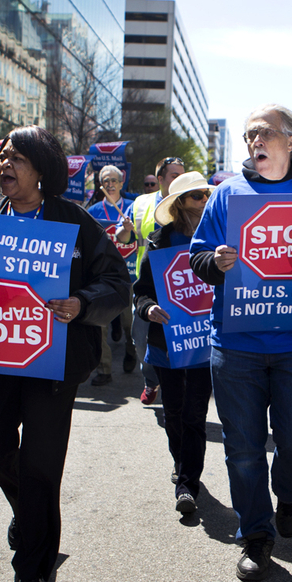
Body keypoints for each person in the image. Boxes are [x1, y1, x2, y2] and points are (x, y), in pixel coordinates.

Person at [0, 127, 130, 582]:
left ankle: (32, 568)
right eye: (2, 157)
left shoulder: (75, 220)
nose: (4, 165)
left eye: (17, 158)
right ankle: (30, 513)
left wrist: (81, 302)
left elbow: (115, 283)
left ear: (41, 169)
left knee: (42, 465)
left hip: (53, 366)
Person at [188, 103, 292, 582]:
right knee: (242, 446)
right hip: (236, 341)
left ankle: (289, 491)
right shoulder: (227, 194)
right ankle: (256, 535)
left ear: (291, 141)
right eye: (249, 134)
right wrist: (215, 262)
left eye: (264, 132)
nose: (254, 141)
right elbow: (197, 257)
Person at [133, 171, 215, 514]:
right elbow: (141, 292)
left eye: (206, 195)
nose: (204, 201)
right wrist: (148, 308)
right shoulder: (159, 242)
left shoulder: (218, 238)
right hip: (167, 342)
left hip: (205, 343)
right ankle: (181, 462)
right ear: (180, 203)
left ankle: (187, 484)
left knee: (195, 414)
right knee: (174, 413)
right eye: (197, 196)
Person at [129, 157, 187, 404]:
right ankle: (151, 380)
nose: (180, 180)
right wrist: (123, 231)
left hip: (182, 287)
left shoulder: (191, 203)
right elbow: (126, 237)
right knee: (141, 339)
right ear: (160, 179)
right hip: (149, 285)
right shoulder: (141, 203)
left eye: (182, 175)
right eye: (175, 175)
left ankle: (178, 388)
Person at [85, 165, 137, 386]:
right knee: (100, 325)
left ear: (122, 183)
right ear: (101, 185)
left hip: (130, 275)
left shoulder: (134, 207)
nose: (110, 184)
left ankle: (131, 352)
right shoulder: (93, 211)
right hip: (103, 276)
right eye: (106, 180)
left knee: (130, 324)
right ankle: (104, 369)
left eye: (114, 180)